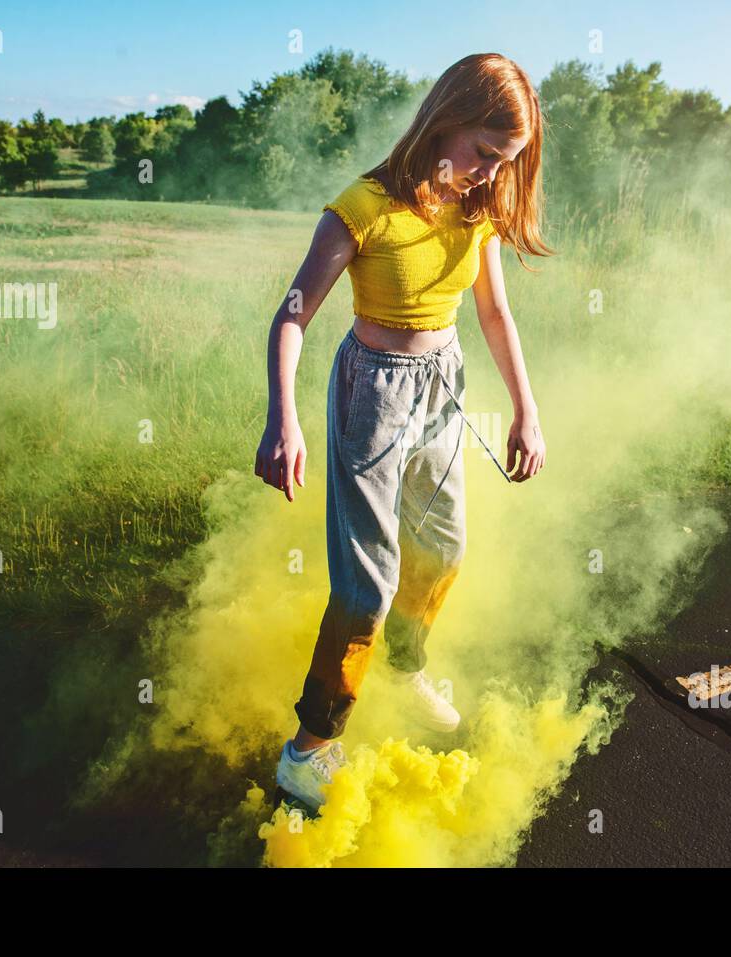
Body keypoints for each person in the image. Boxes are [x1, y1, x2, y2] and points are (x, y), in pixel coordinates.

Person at [254, 52, 554, 815]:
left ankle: (402, 665)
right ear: (444, 119)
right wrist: (282, 415)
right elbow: (293, 315)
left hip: (444, 386)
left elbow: (493, 314)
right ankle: (309, 750)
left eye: (506, 163)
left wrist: (526, 408)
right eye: (485, 153)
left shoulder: (476, 210)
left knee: (444, 549)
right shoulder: (363, 206)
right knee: (368, 585)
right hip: (374, 396)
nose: (491, 175)